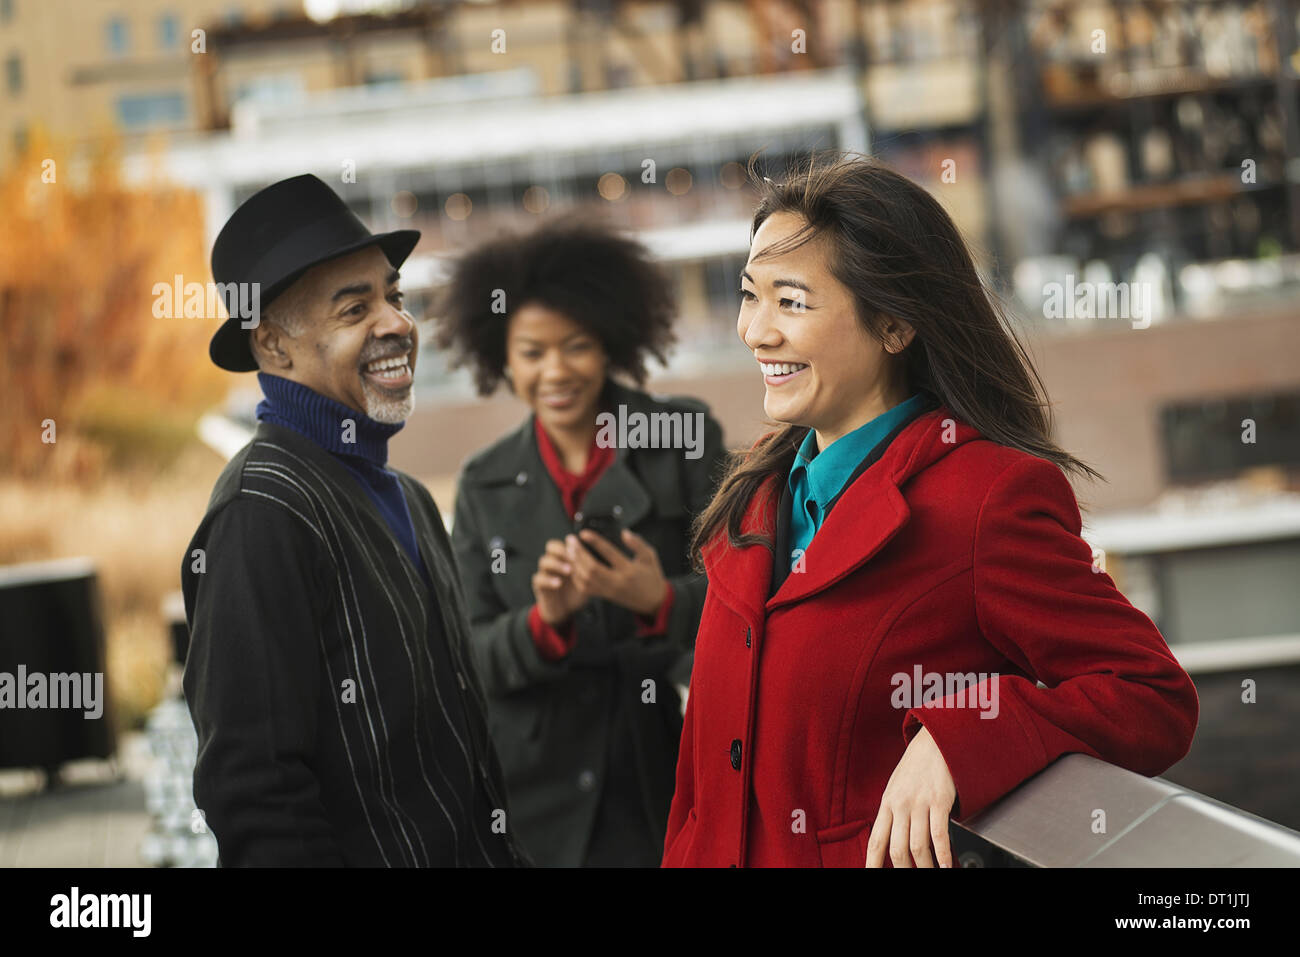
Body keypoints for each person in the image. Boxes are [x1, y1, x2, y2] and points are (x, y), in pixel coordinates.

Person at [662, 153, 1200, 868]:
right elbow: (698, 793)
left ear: (893, 325)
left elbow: (1150, 695)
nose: (757, 330)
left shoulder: (987, 496)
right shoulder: (756, 490)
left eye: (791, 301)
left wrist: (962, 735)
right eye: (749, 294)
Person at [181, 173, 524, 867]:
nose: (396, 322)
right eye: (353, 309)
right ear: (274, 347)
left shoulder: (412, 500)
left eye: (394, 296)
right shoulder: (260, 513)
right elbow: (258, 800)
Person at [434, 218, 727, 866]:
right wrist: (545, 624)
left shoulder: (681, 435)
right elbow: (468, 655)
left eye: (577, 345)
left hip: (668, 770)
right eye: (533, 352)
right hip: (539, 799)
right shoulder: (484, 481)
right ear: (501, 358)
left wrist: (660, 600)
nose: (556, 371)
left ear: (611, 342)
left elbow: (756, 599)